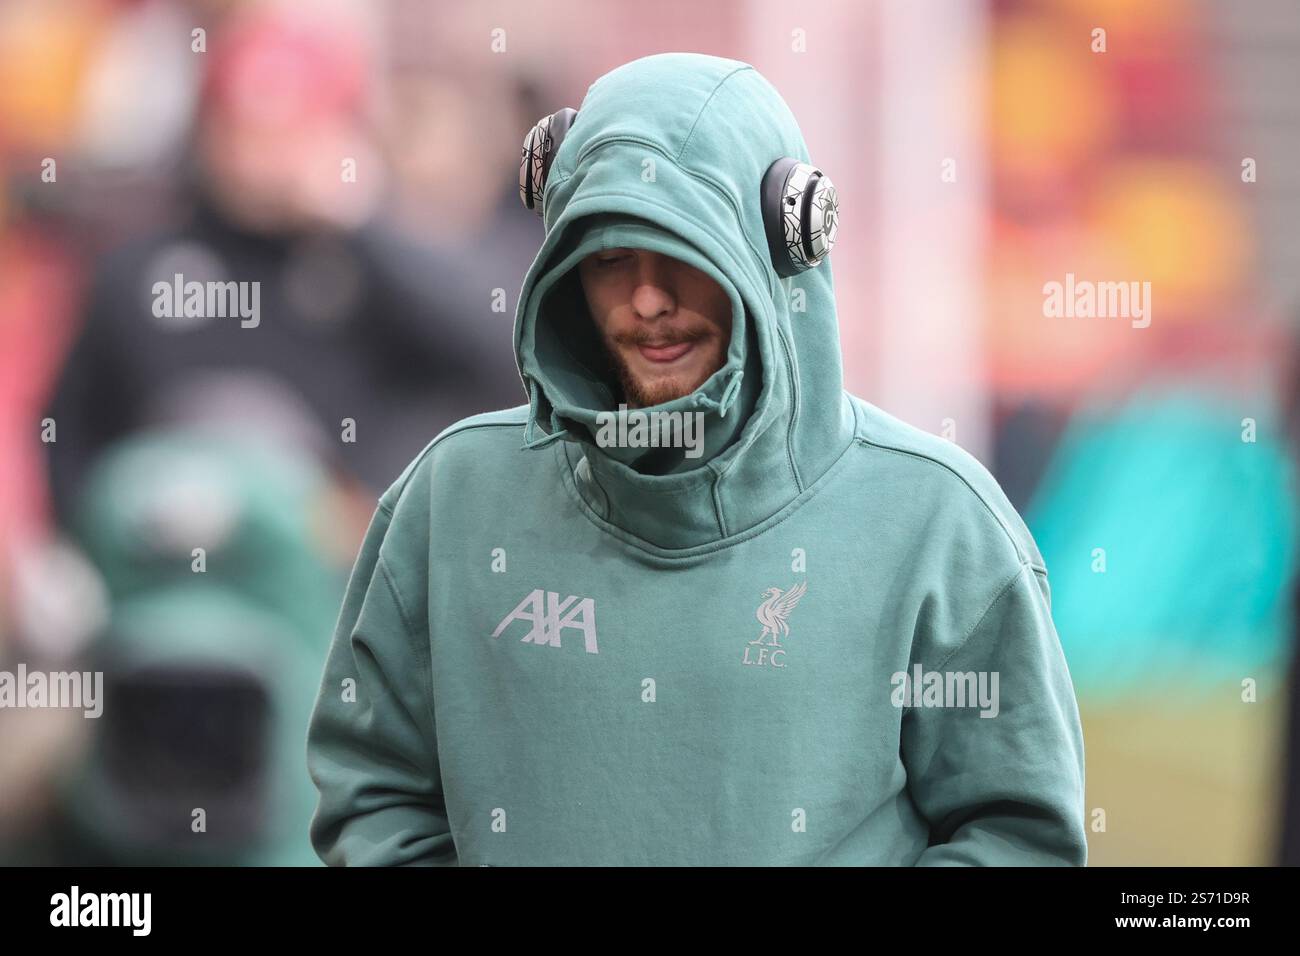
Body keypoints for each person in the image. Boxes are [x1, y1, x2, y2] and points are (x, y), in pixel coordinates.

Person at [305, 52, 1087, 866]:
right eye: (610, 257)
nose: (647, 299)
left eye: (684, 251)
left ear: (786, 239)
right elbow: (377, 797)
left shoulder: (938, 524)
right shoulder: (452, 500)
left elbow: (1014, 839)